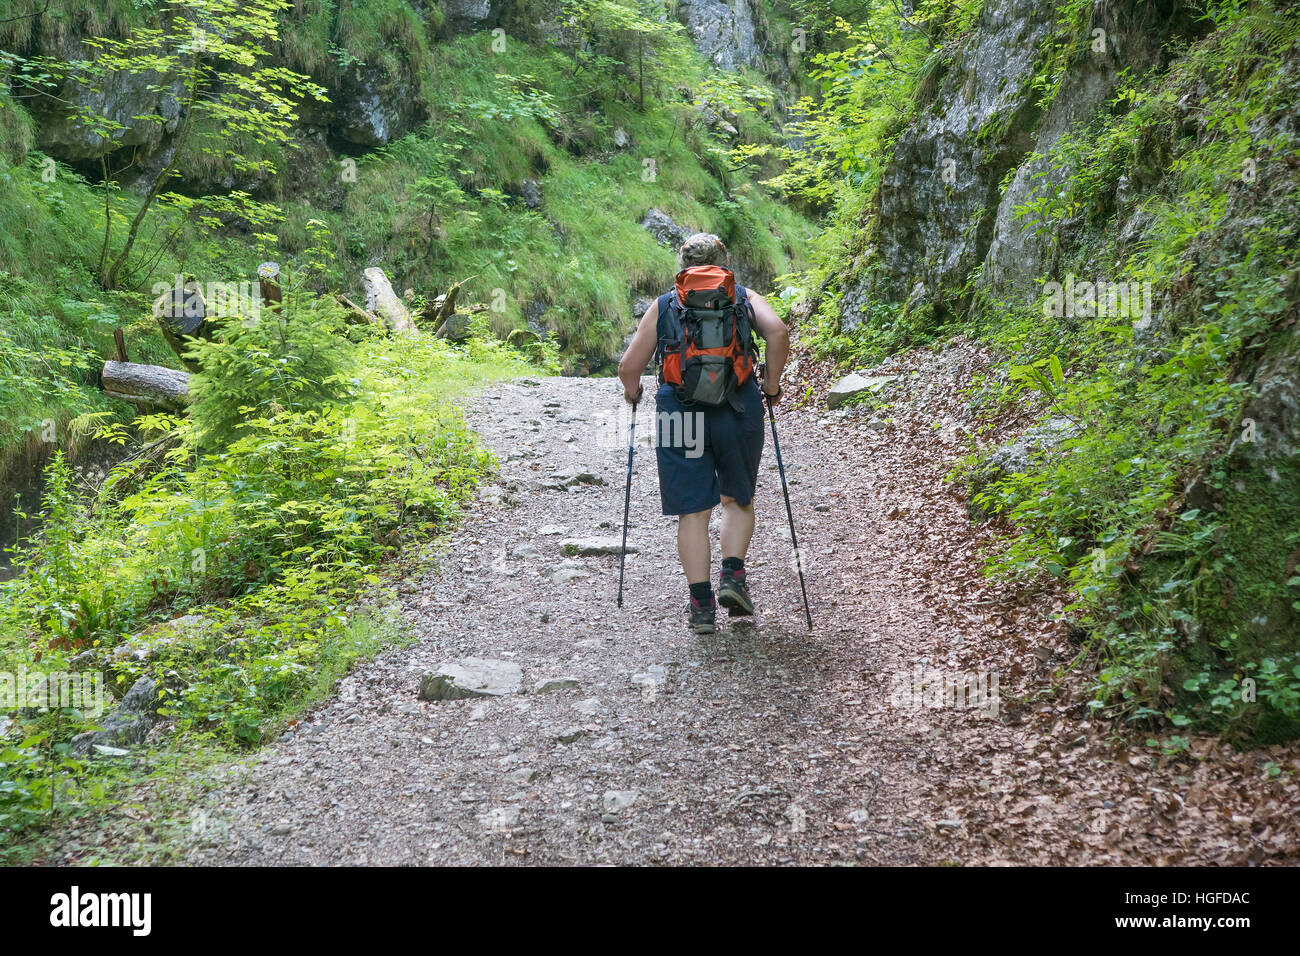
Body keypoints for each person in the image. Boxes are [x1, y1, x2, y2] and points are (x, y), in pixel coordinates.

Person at [617, 233, 790, 634]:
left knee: (693, 511)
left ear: (682, 264)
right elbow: (778, 333)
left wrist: (634, 393)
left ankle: (701, 606)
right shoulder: (743, 297)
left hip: (680, 413)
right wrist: (772, 386)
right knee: (737, 498)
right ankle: (733, 576)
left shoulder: (665, 304)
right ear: (723, 261)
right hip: (739, 407)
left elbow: (629, 366)